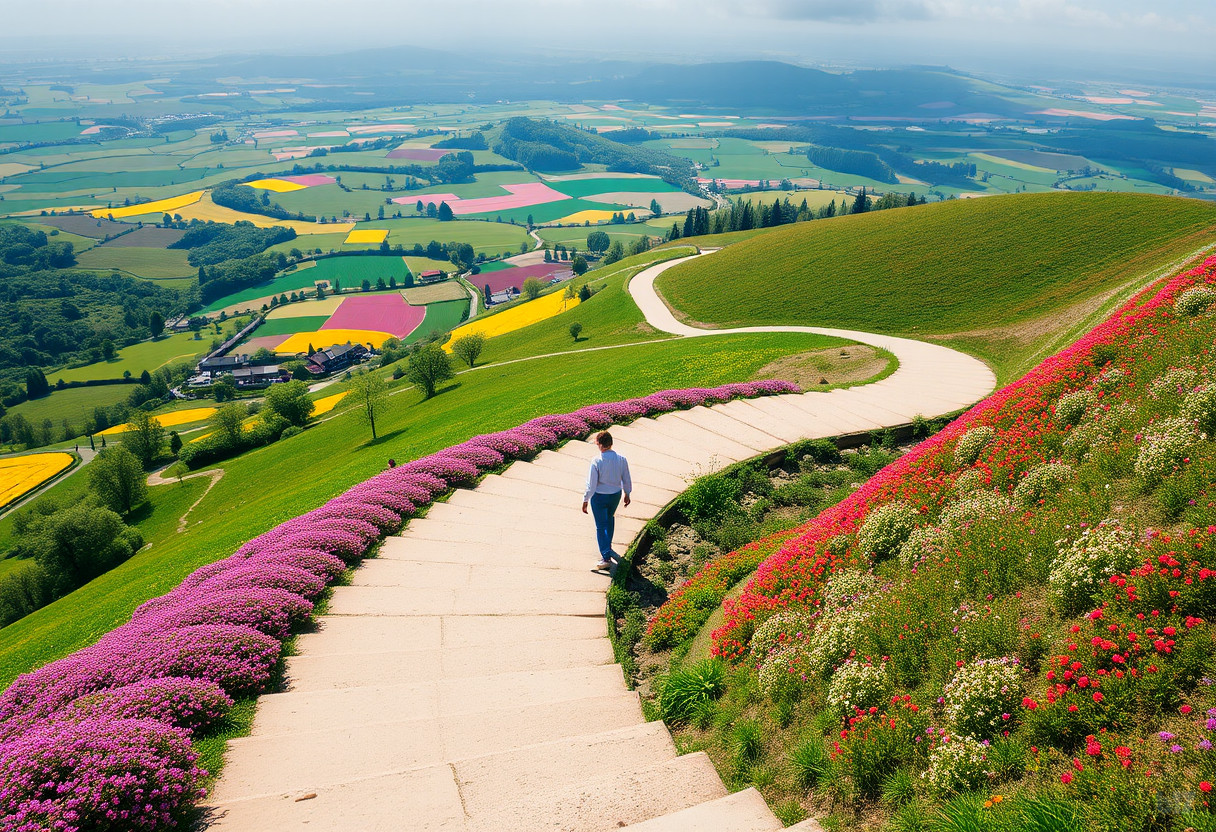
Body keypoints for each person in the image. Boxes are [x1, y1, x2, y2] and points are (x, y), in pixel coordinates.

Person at [582, 431, 631, 572]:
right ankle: (608, 547)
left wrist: (585, 499)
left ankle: (605, 557)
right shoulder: (621, 459)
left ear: (601, 445)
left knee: (600, 526)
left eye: (597, 443)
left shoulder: (597, 461)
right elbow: (626, 478)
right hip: (615, 495)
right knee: (610, 519)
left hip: (599, 497)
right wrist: (627, 493)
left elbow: (592, 485)